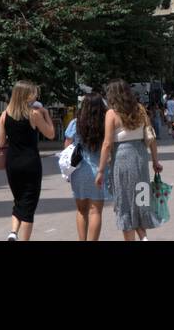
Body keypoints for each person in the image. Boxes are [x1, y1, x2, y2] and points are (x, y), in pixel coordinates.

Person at [96, 80, 163, 241]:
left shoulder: (111, 114)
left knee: (125, 202)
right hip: (141, 159)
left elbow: (106, 144)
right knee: (141, 199)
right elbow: (151, 137)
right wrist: (155, 161)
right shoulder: (140, 110)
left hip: (122, 160)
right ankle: (144, 238)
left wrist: (100, 170)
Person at [0, 80, 55, 241]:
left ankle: (13, 232)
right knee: (29, 204)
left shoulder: (4, 115)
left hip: (12, 163)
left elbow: (0, 143)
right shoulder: (34, 114)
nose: (36, 95)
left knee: (19, 199)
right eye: (34, 92)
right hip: (30, 163)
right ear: (26, 95)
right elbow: (50, 134)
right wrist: (46, 114)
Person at [64, 93, 112, 241]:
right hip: (99, 169)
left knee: (81, 210)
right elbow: (110, 145)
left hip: (78, 170)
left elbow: (67, 145)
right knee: (95, 211)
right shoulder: (106, 123)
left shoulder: (75, 123)